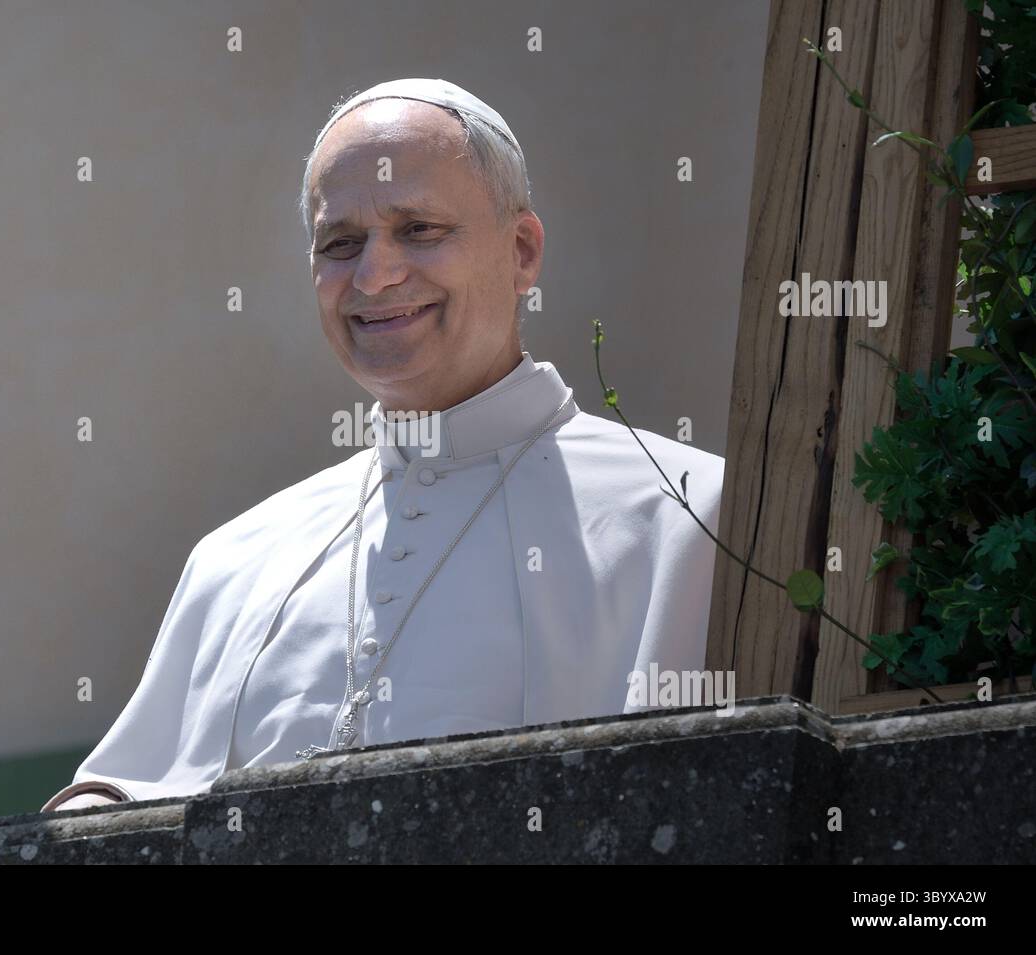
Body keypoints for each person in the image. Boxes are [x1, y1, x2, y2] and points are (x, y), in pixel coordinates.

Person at [42, 77, 724, 812]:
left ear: (522, 252)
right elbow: (127, 803)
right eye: (341, 243)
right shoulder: (234, 558)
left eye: (419, 230)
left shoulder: (687, 511)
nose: (375, 274)